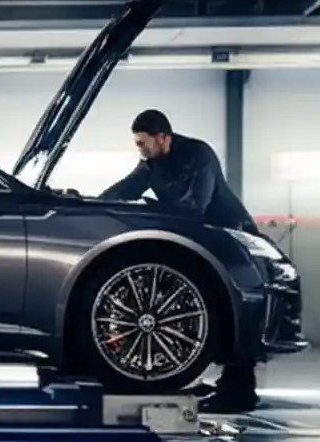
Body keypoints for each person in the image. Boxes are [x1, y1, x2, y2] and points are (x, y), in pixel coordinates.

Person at [99, 109, 260, 413]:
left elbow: (195, 205)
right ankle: (229, 382)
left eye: (142, 143)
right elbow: (126, 188)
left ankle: (241, 390)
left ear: (162, 137)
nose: (140, 149)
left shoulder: (199, 155)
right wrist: (91, 202)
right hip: (202, 242)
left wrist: (150, 205)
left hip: (232, 237)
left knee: (235, 306)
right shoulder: (151, 163)